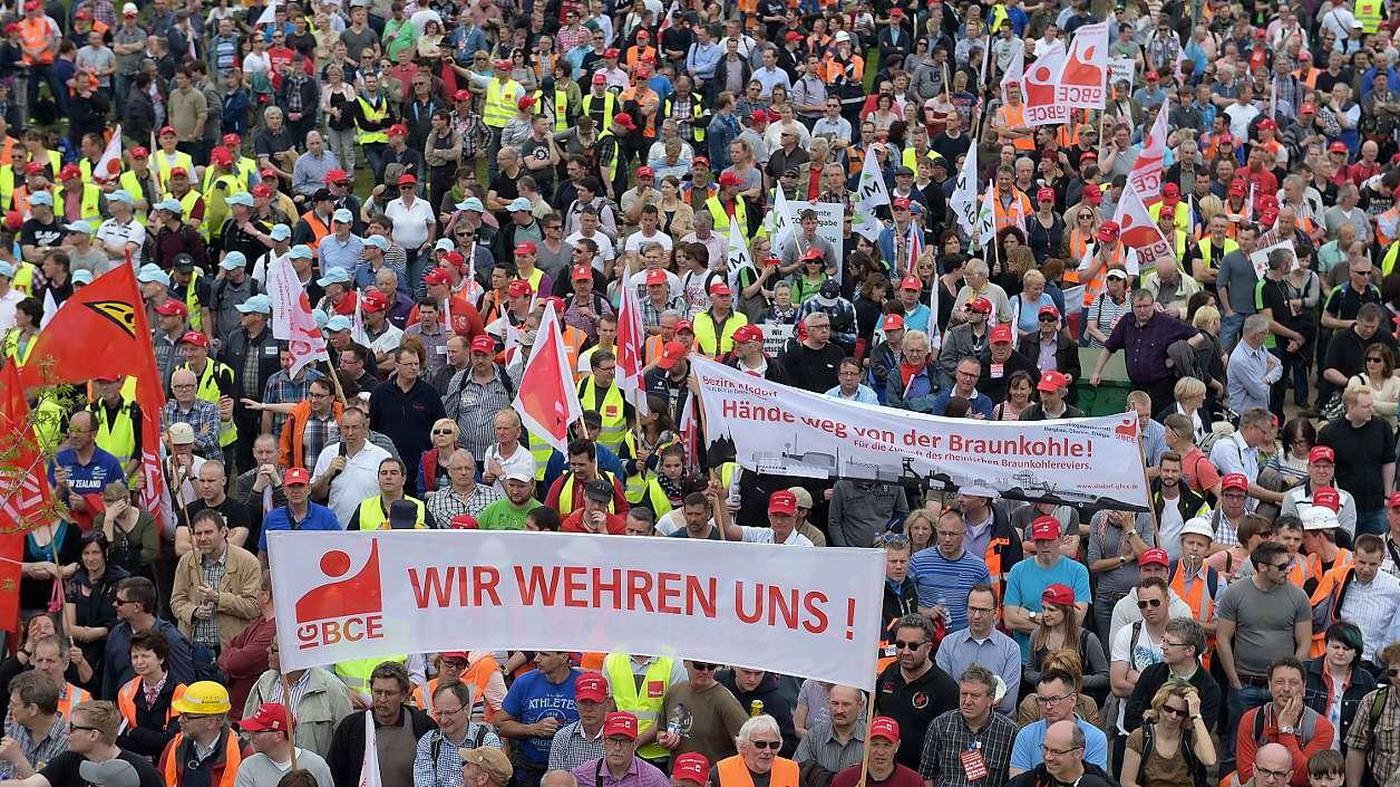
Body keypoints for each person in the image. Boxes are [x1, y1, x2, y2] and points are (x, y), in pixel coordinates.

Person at [1216, 541, 1313, 768]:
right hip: (1244, 683)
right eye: (1281, 566)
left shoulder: (1298, 597)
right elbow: (1222, 639)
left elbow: (1305, 641)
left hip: (1281, 689)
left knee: (1283, 747)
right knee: (1235, 748)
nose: (1288, 569)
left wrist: (1290, 683)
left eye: (1288, 564)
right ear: (1261, 567)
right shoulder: (1235, 593)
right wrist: (1234, 680)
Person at [0, 699, 164, 787]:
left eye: (73, 728)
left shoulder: (141, 772)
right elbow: (28, 785)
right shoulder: (70, 760)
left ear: (93, 735)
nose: (66, 732)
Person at [326, 661, 435, 787]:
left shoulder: (423, 726)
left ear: (403, 695)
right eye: (377, 692)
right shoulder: (351, 728)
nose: (382, 699)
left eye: (389, 693)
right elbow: (334, 775)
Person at [168, 509, 261, 653]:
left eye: (208, 532)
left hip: (231, 650)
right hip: (192, 648)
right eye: (198, 534)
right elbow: (176, 601)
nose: (202, 538)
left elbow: (254, 607)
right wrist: (194, 612)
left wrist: (218, 598)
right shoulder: (186, 561)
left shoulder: (248, 562)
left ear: (223, 531)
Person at [873, 615, 958, 770]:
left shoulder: (946, 688)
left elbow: (949, 742)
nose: (905, 651)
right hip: (884, 772)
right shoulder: (889, 673)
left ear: (928, 647)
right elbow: (877, 713)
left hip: (921, 776)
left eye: (913, 646)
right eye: (900, 644)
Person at [1236, 658, 1335, 787]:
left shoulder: (1321, 727)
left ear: (1304, 687)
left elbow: (1304, 778)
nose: (1286, 689)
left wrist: (1286, 729)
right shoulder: (1251, 720)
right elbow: (1246, 776)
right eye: (1279, 682)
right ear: (1270, 686)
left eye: (1293, 683)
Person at [1003, 516, 1091, 659]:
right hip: (1026, 657)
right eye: (1040, 541)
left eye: (1049, 540)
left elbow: (1076, 620)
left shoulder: (1078, 571)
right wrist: (1057, 626)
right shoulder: (1018, 571)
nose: (1044, 545)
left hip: (1064, 657)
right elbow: (1010, 620)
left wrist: (1030, 615)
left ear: (1060, 539)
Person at [919, 665, 1017, 787]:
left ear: (990, 700)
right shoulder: (941, 725)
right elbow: (927, 775)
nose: (967, 701)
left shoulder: (1009, 732)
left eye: (975, 696)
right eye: (964, 694)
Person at [1124, 618, 1222, 734]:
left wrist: (1152, 719)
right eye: (1163, 640)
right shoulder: (1151, 673)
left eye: (1169, 643)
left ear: (1190, 650)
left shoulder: (1210, 689)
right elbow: (1130, 719)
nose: (1163, 646)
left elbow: (1199, 736)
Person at [497, 651, 581, 787]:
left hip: (571, 769)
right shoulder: (524, 682)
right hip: (530, 770)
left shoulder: (581, 683)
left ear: (564, 657)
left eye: (544, 654)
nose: (536, 659)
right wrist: (532, 729)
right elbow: (499, 725)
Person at [935, 586, 1021, 716]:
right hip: (955, 721)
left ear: (995, 614)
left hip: (997, 723)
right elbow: (942, 692)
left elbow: (1007, 702)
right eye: (972, 609)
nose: (976, 616)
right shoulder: (948, 644)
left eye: (983, 610)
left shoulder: (1011, 649)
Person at [1009, 669, 1109, 775]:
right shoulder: (1026, 735)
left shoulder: (1095, 738)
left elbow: (1094, 781)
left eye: (1054, 699)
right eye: (1042, 700)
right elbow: (1017, 779)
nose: (1048, 706)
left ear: (1073, 699)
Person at [1120, 682, 1217, 787]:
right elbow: (1127, 782)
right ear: (1159, 706)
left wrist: (1196, 716)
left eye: (1180, 713)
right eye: (1169, 709)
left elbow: (1210, 760)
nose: (1173, 716)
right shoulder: (1140, 737)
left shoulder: (1190, 737)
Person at [1301, 622, 1375, 753]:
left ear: (1355, 652)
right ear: (1326, 646)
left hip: (1348, 754)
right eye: (1335, 647)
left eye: (1346, 648)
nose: (1340, 652)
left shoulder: (1366, 680)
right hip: (1308, 749)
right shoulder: (1304, 671)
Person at [413, 682, 503, 787]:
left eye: (449, 713)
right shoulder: (428, 742)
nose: (443, 719)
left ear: (466, 709)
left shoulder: (487, 741)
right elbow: (423, 784)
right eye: (438, 713)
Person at [155, 681, 244, 786]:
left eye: (186, 716)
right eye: (180, 714)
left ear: (212, 722)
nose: (179, 720)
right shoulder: (173, 748)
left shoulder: (242, 753)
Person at [659, 662, 747, 765]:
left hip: (709, 778)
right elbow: (661, 728)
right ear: (685, 663)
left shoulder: (725, 700)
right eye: (699, 666)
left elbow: (748, 742)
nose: (705, 672)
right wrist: (664, 739)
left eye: (711, 667)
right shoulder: (675, 691)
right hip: (677, 777)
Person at [236, 703, 335, 787]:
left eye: (257, 731)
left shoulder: (317, 766)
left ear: (278, 735)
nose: (251, 735)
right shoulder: (248, 767)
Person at [571, 711, 668, 787]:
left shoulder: (654, 779)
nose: (617, 747)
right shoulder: (582, 775)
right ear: (603, 741)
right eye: (612, 740)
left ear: (635, 744)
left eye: (624, 741)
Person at [1006, 721, 1116, 787]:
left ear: (1078, 753)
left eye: (1056, 752)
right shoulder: (1033, 779)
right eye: (1045, 748)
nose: (1048, 757)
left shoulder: (1096, 781)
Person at [711, 715, 798, 787]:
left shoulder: (792, 771)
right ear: (744, 745)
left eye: (774, 745)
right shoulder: (721, 772)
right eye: (760, 744)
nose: (767, 751)